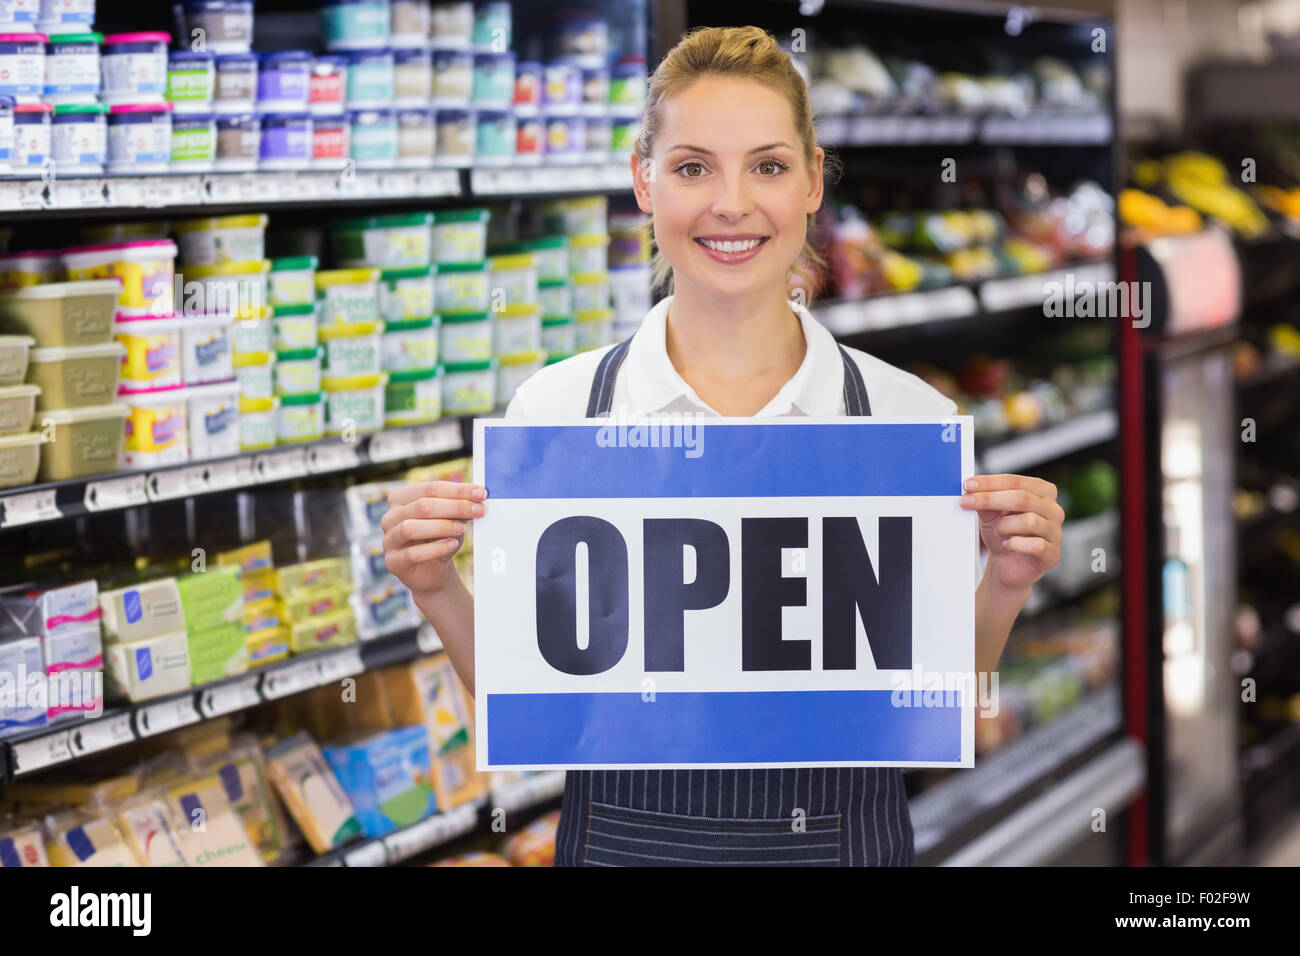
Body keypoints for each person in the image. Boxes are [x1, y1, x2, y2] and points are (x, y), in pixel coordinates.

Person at [382, 25, 1064, 866]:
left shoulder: (903, 419)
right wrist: (435, 587)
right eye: (693, 166)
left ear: (815, 182)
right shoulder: (556, 412)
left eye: (769, 166)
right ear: (644, 182)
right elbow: (536, 706)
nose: (731, 203)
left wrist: (1006, 582)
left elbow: (948, 707)